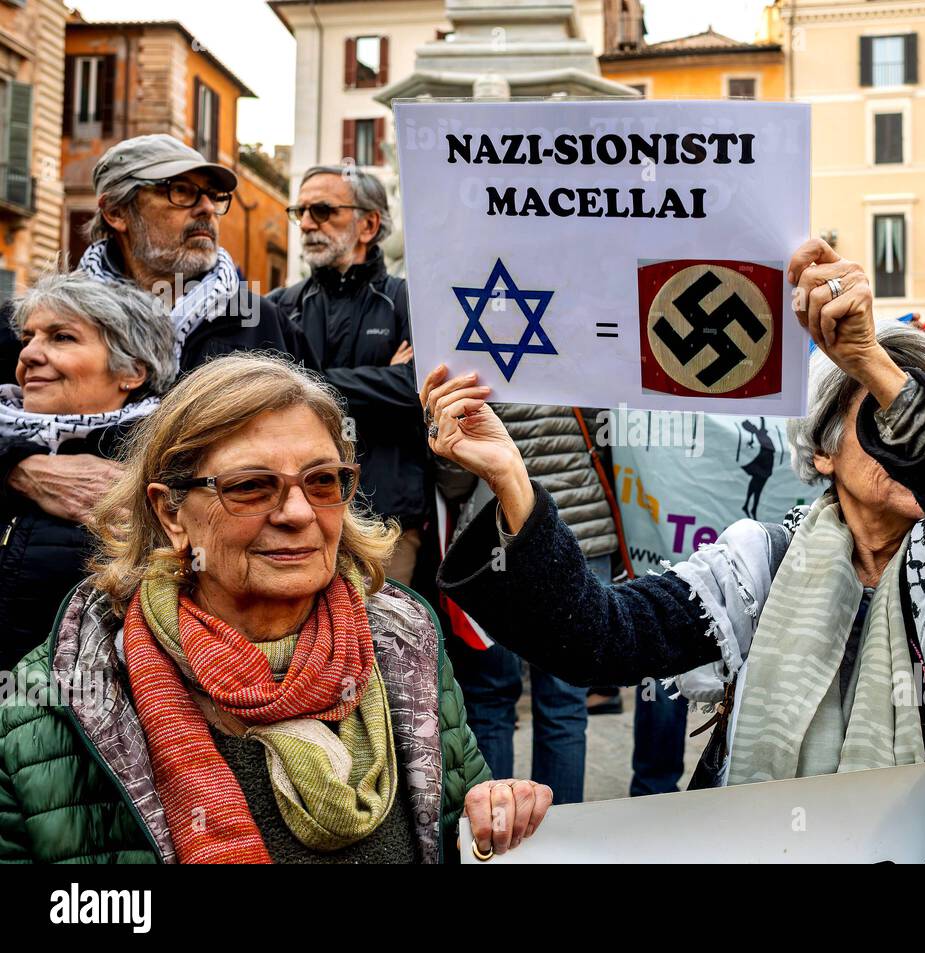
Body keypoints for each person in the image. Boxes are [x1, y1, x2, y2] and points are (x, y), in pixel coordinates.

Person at [426, 239, 925, 863]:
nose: (901, 432)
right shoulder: (759, 564)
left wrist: (874, 361)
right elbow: (601, 637)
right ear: (822, 452)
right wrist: (511, 478)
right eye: (875, 411)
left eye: (914, 417)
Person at [0, 353, 549, 864]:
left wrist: (498, 811)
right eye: (251, 487)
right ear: (171, 513)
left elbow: (456, 826)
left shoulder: (404, 644)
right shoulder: (56, 702)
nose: (296, 513)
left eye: (322, 480)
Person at [1, 135, 318, 541]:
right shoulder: (40, 319)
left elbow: (319, 439)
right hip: (54, 567)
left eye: (213, 195)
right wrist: (19, 470)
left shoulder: (262, 323)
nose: (205, 208)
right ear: (116, 211)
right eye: (181, 192)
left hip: (223, 563)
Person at [433, 405, 619, 806]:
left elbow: (452, 479)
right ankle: (563, 838)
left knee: (491, 698)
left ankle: (498, 837)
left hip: (498, 543)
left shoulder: (468, 366)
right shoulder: (573, 354)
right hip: (583, 529)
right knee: (566, 702)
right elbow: (604, 444)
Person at [0, 273, 175, 669]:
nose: (28, 355)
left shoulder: (165, 463)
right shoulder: (9, 444)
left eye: (62, 337)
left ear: (131, 371)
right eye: (28, 338)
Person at [268, 165, 426, 584]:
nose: (305, 224)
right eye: (299, 211)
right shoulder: (278, 307)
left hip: (386, 518)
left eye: (321, 210)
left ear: (368, 224)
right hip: (290, 514)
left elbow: (418, 389)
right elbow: (264, 399)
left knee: (384, 643)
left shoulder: (409, 300)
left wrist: (307, 381)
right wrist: (380, 378)